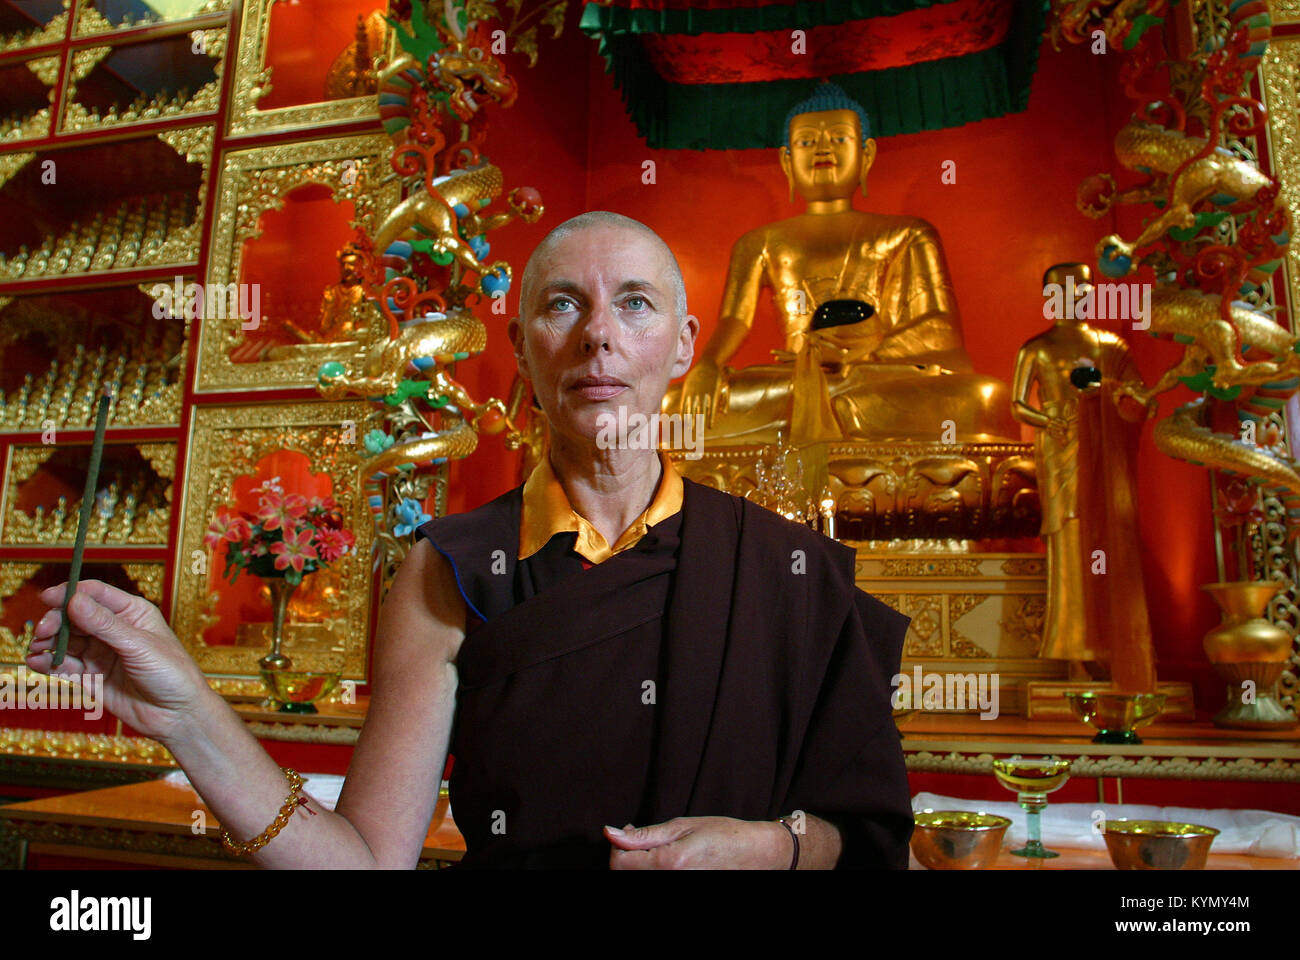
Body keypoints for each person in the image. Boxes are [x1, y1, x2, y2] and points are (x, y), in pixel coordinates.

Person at [25, 211, 913, 869]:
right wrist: (188, 711)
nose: (599, 334)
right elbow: (366, 861)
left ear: (683, 347)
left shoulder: (783, 570)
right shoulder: (450, 570)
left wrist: (770, 849)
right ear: (523, 349)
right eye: (564, 305)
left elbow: (874, 841)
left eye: (634, 305)